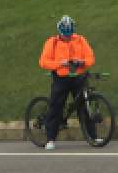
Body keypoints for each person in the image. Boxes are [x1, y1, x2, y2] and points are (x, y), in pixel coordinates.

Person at [38, 15, 98, 150]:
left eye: (70, 34)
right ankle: (51, 139)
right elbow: (43, 62)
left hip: (78, 77)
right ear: (60, 32)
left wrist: (82, 62)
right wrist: (60, 63)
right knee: (56, 107)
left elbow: (90, 58)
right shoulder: (52, 42)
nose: (67, 37)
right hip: (61, 78)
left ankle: (92, 136)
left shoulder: (80, 40)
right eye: (65, 35)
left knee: (84, 106)